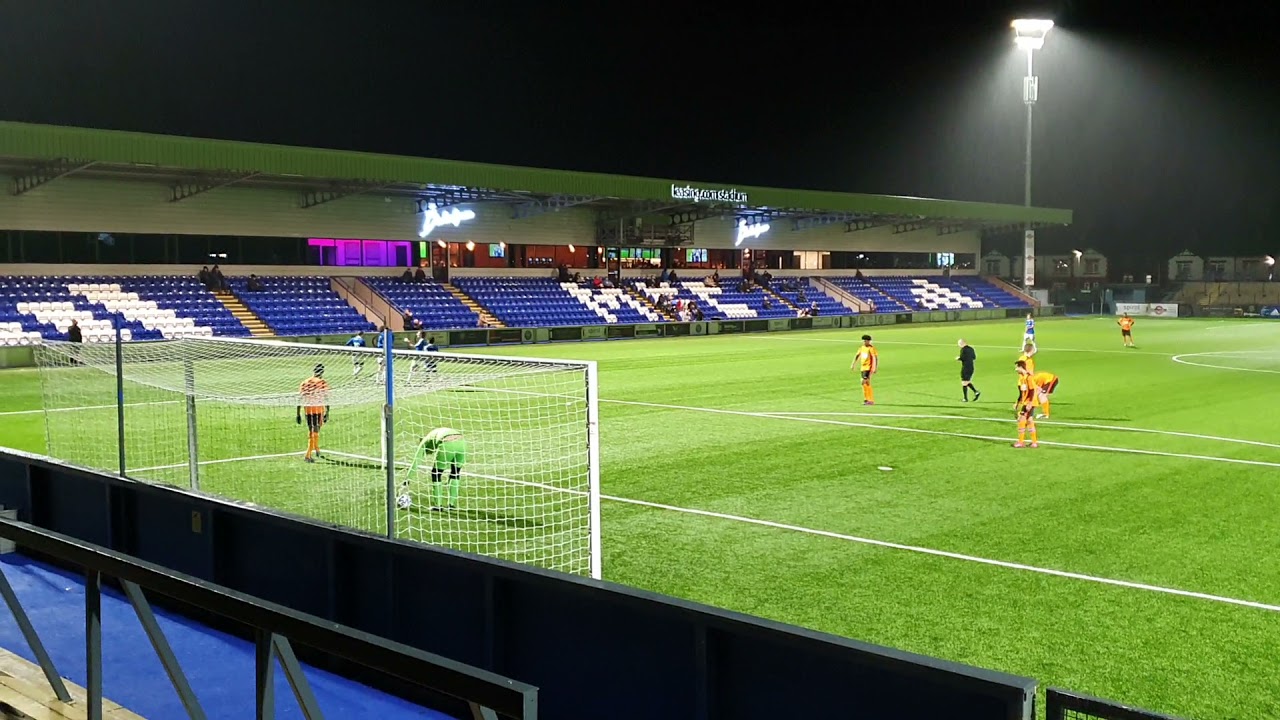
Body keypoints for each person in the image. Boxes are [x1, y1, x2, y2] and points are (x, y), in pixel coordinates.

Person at [402, 427, 467, 511]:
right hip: (462, 443)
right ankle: (451, 504)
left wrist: (407, 480)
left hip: (447, 443)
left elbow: (416, 462)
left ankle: (438, 505)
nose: (429, 453)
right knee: (455, 472)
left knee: (436, 473)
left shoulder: (423, 443)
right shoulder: (433, 434)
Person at [296, 364, 331, 463]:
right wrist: (327, 412)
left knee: (312, 431)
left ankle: (316, 449)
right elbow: (326, 398)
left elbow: (300, 399)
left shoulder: (304, 382)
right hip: (318, 410)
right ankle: (308, 455)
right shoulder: (322, 383)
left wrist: (298, 413)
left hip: (308, 411)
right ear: (322, 372)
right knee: (315, 431)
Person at [1013, 360, 1040, 448]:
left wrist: (1030, 403)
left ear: (1021, 367)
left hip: (1029, 402)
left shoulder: (1028, 378)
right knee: (1029, 420)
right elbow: (1022, 393)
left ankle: (1021, 442)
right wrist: (1017, 403)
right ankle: (1034, 442)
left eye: (1017, 367)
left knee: (1021, 419)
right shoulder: (1023, 378)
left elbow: (1032, 390)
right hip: (1027, 402)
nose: (1015, 369)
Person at [852, 334, 878, 405]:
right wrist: (853, 364)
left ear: (868, 341)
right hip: (863, 368)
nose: (864, 342)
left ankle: (870, 400)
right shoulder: (862, 348)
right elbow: (857, 355)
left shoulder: (871, 348)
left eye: (865, 341)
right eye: (863, 341)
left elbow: (875, 358)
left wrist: (874, 367)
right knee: (864, 383)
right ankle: (867, 399)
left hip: (868, 367)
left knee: (865, 381)